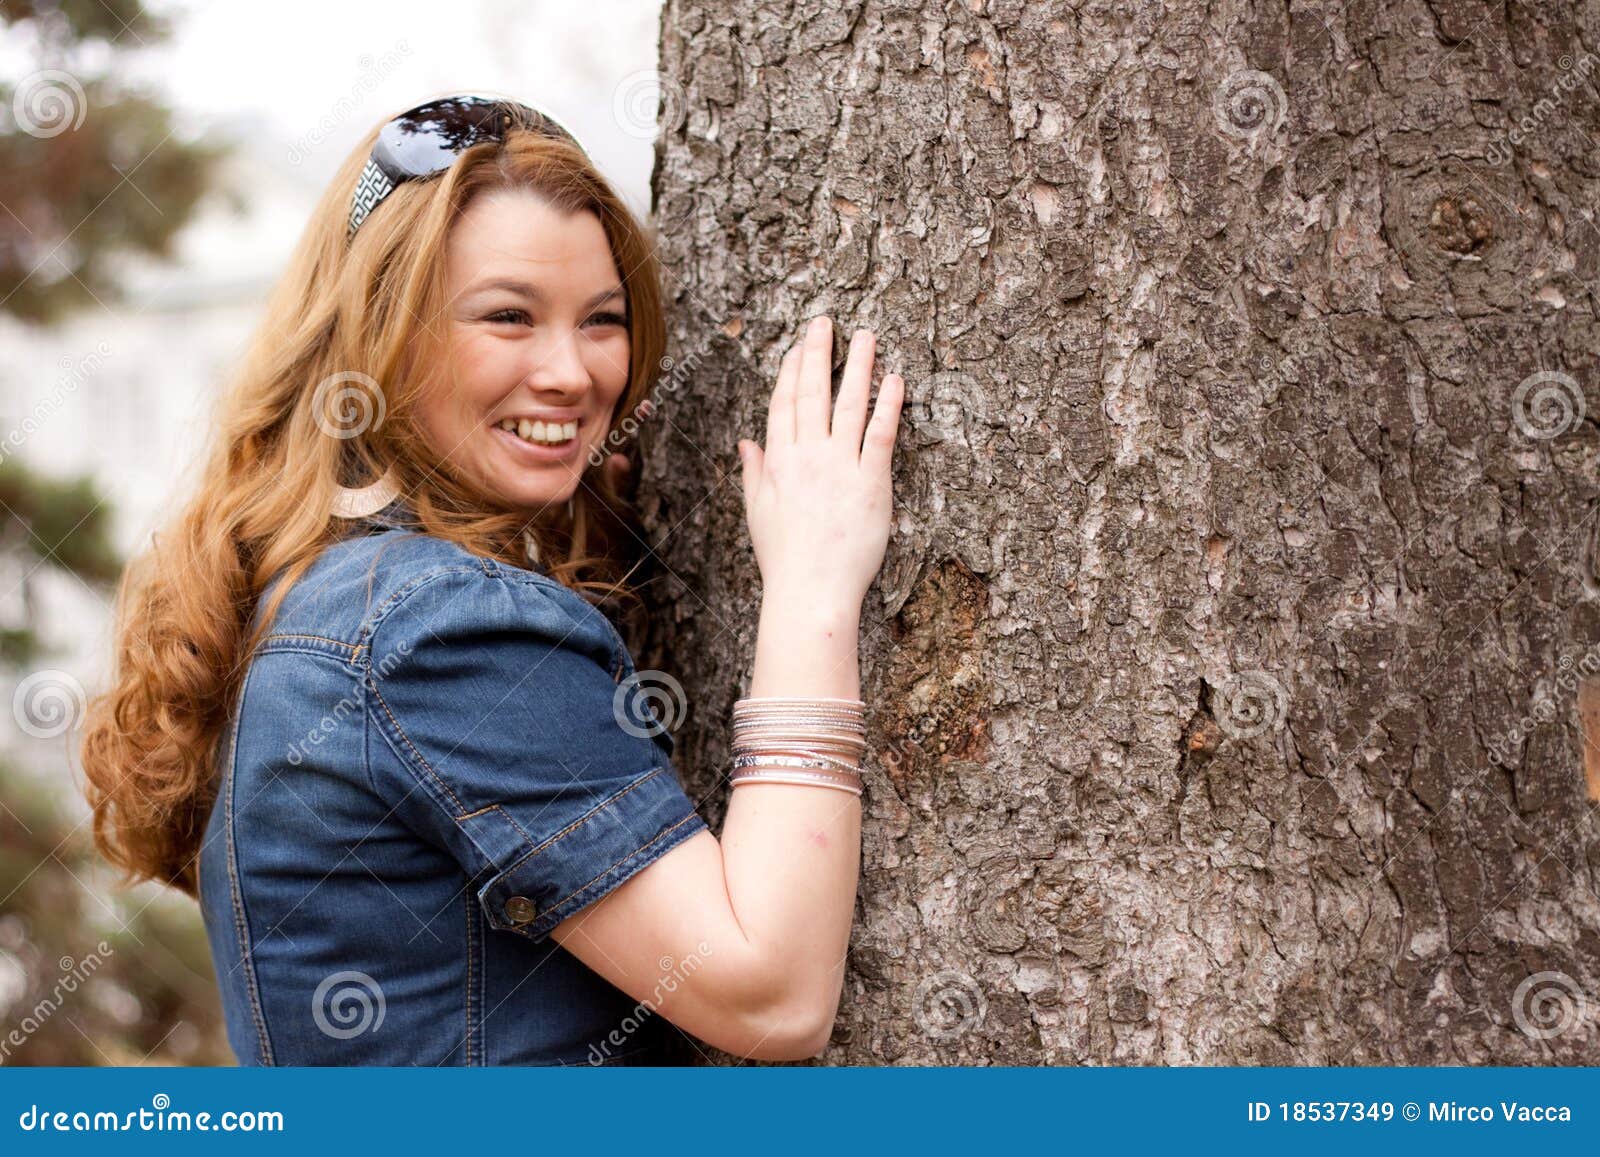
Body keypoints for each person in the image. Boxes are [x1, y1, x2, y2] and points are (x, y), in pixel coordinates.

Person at [78, 94, 905, 1065]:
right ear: (380, 336)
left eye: (603, 319)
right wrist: (810, 583)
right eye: (507, 315)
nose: (570, 372)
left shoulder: (305, 591)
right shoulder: (442, 630)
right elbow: (769, 994)